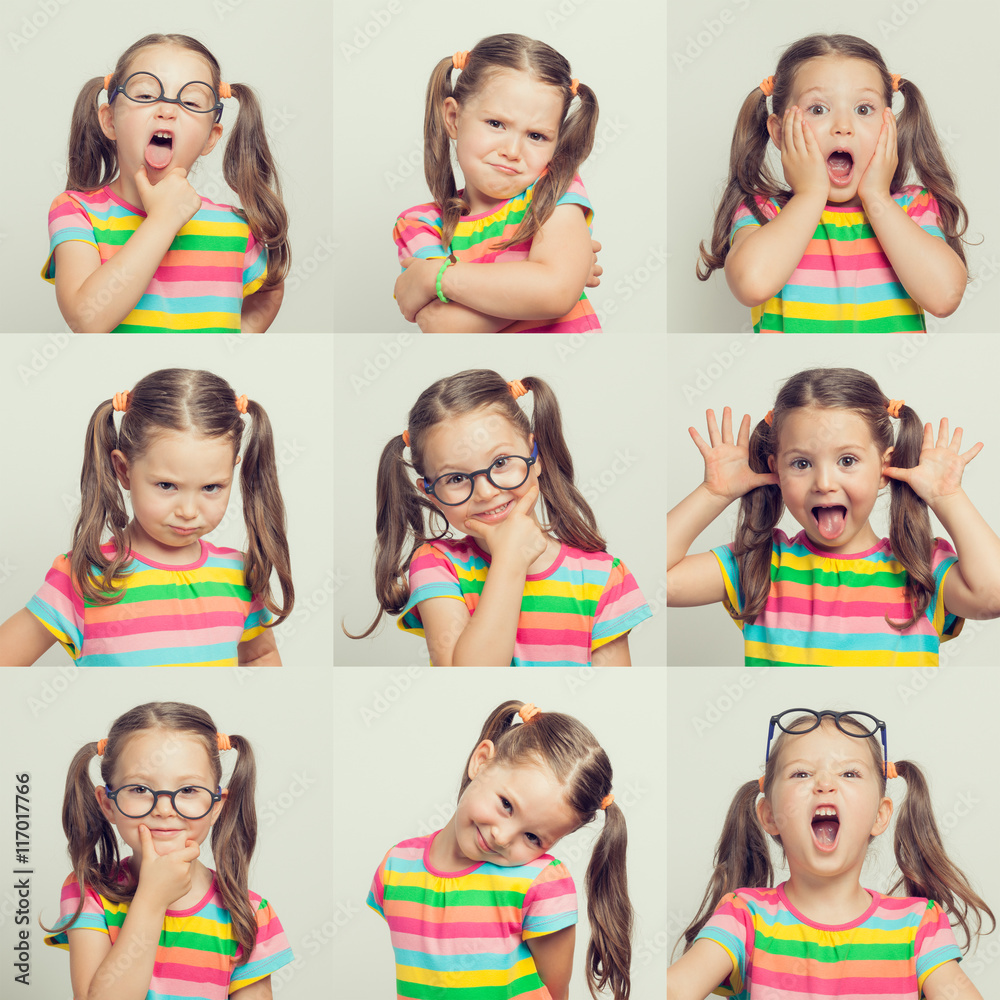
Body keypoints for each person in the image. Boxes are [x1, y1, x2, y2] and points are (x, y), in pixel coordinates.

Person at [666, 367, 1000, 665]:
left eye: (847, 461)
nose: (824, 484)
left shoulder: (921, 568)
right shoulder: (759, 565)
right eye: (801, 463)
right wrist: (714, 493)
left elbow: (993, 595)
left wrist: (947, 496)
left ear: (885, 467)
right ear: (776, 471)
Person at [667, 708, 994, 999]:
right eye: (802, 773)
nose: (824, 783)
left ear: (880, 816)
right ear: (769, 815)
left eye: (849, 773)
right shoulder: (743, 918)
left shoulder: (918, 925)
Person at [344, 369, 651, 665]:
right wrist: (510, 560)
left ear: (536, 455)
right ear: (429, 492)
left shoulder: (602, 576)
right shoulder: (437, 566)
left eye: (501, 462)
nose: (486, 491)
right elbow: (468, 680)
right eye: (454, 478)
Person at [0, 368, 293, 665]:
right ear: (124, 470)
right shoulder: (82, 576)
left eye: (211, 487)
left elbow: (261, 654)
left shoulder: (240, 573)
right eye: (167, 485)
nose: (189, 512)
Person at [697, 34, 969, 332]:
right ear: (778, 131)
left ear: (889, 125)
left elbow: (945, 297)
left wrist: (877, 197)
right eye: (818, 109)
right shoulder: (762, 211)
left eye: (863, 110)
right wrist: (810, 194)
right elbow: (751, 285)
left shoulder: (913, 207)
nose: (843, 127)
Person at [369, 700, 632, 999]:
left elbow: (555, 992)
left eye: (533, 837)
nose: (503, 838)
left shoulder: (541, 883)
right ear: (481, 761)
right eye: (506, 805)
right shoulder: (396, 867)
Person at [43, 701, 293, 999]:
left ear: (216, 806)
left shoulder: (249, 914)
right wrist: (151, 899)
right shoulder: (89, 892)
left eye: (188, 790)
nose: (163, 809)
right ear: (107, 804)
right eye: (139, 789)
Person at [44, 33, 288, 333]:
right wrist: (162, 221)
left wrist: (232, 342)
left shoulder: (235, 227)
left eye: (190, 102)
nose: (167, 110)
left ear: (211, 137)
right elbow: (86, 320)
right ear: (109, 121)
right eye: (146, 96)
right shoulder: (75, 212)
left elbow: (269, 292)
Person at [393, 33, 602, 332]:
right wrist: (553, 282)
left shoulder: (554, 190)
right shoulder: (419, 225)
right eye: (496, 124)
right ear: (453, 117)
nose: (513, 151)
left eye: (536, 136)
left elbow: (555, 292)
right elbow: (443, 326)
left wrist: (436, 277)